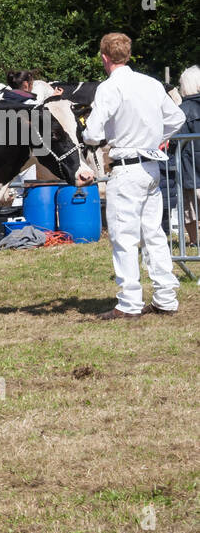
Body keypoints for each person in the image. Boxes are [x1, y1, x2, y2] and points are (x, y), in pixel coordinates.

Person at [83, 33, 186, 319]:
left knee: (124, 235)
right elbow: (177, 119)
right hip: (151, 165)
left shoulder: (109, 88)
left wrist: (93, 135)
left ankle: (129, 302)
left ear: (104, 58)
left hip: (127, 167)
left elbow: (92, 134)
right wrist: (156, 139)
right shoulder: (151, 84)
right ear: (128, 55)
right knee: (153, 233)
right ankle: (166, 297)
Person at [162, 65, 200, 246]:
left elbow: (174, 141)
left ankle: (194, 241)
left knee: (189, 208)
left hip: (189, 168)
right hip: (190, 167)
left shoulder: (181, 111)